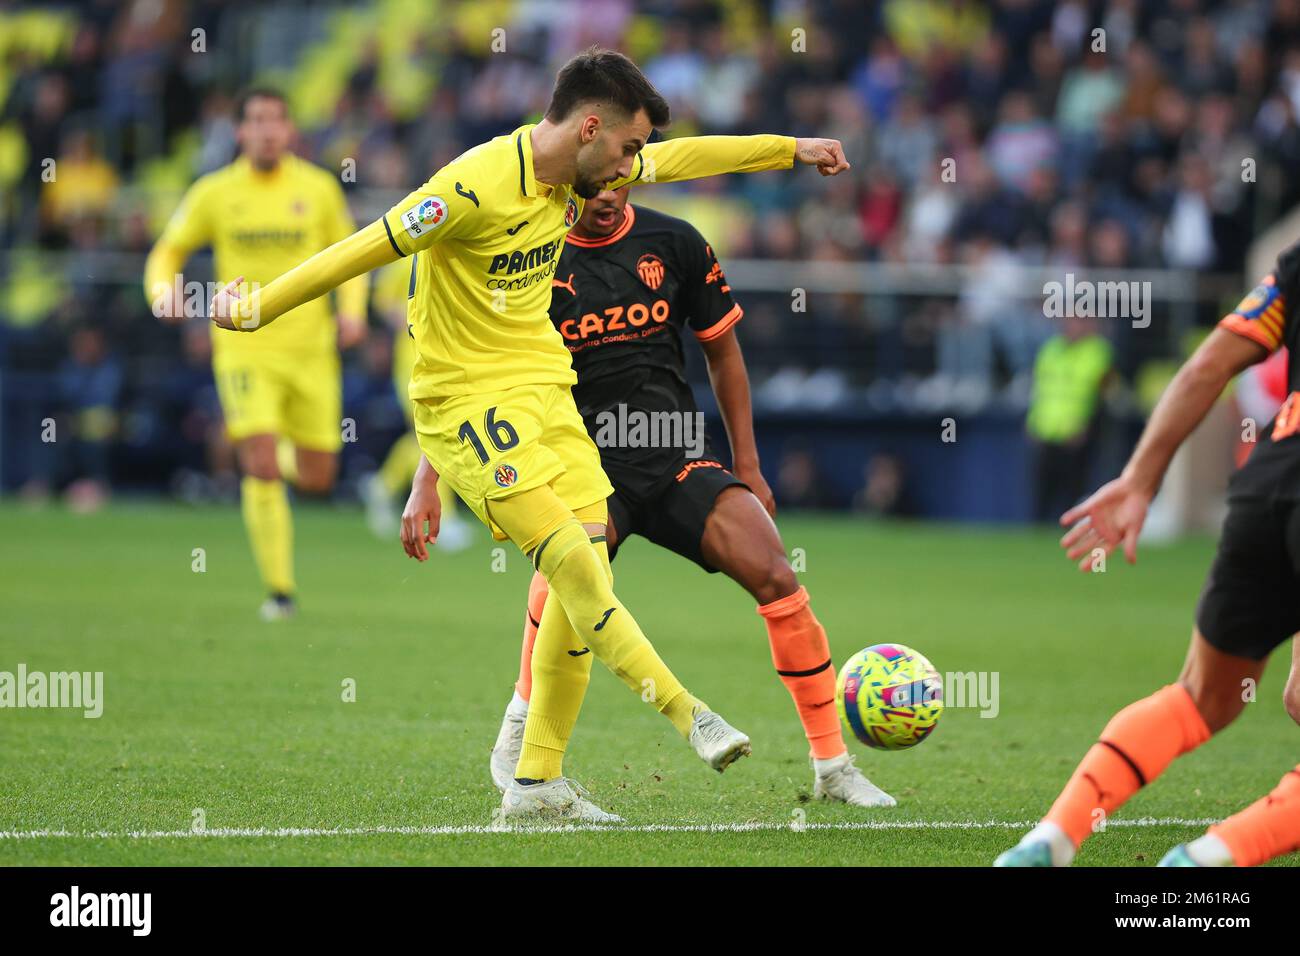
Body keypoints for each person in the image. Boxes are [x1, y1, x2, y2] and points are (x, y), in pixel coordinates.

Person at [209, 47, 852, 823]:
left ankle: (536, 781)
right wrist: (259, 306)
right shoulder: (471, 185)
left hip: (547, 394)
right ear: (589, 128)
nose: (633, 167)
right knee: (577, 566)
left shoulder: (591, 169)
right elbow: (367, 244)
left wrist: (791, 149)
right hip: (466, 406)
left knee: (585, 581)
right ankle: (688, 713)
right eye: (626, 148)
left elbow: (680, 159)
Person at [403, 185, 893, 808]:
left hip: (673, 453)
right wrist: (429, 478)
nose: (607, 195)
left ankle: (833, 766)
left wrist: (749, 464)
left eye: (621, 176)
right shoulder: (534, 258)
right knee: (571, 574)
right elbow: (481, 378)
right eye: (595, 183)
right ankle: (522, 723)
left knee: (775, 571)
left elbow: (723, 350)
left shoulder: (675, 242)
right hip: (582, 460)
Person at [996, 245, 1300, 867]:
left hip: (1267, 486)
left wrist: (1139, 480)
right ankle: (1208, 861)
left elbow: (1205, 368)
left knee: (1200, 698)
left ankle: (1048, 839)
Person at [145, 88, 368, 620]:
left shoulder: (316, 190)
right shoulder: (215, 192)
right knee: (261, 461)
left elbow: (351, 254)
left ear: (290, 130)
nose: (267, 130)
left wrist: (353, 311)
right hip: (244, 349)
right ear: (240, 132)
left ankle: (274, 464)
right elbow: (167, 250)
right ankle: (280, 591)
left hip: (311, 350)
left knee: (318, 476)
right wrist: (162, 293)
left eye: (276, 120)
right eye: (256, 121)